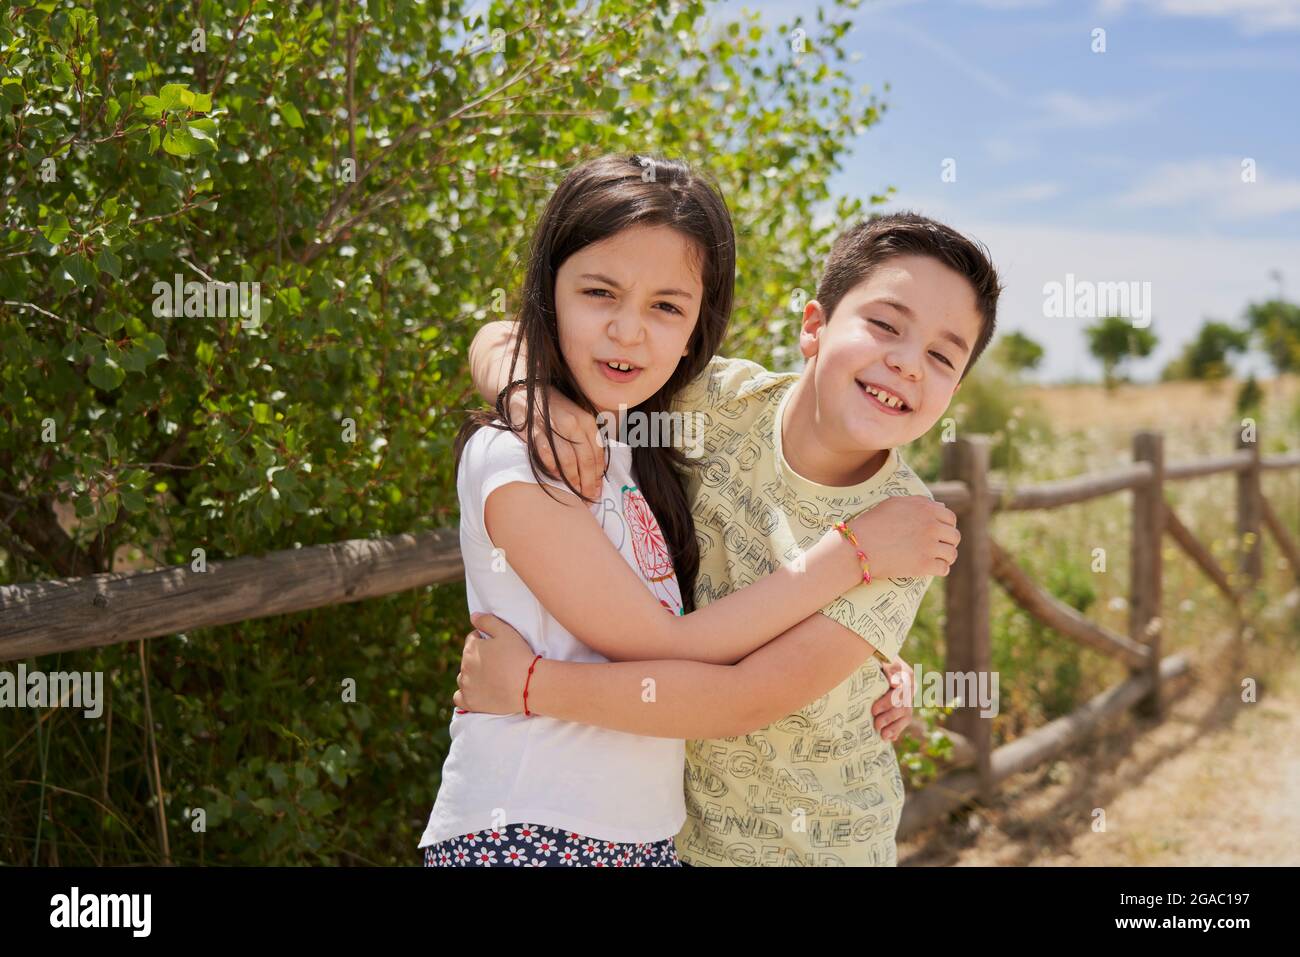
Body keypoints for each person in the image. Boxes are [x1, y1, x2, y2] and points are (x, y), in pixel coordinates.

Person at [420, 158, 955, 867]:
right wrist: (852, 552)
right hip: (532, 829)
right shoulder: (535, 453)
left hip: (672, 840)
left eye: (666, 307)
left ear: (696, 325)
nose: (628, 331)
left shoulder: (632, 436)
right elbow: (664, 648)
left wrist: (862, 662)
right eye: (599, 292)